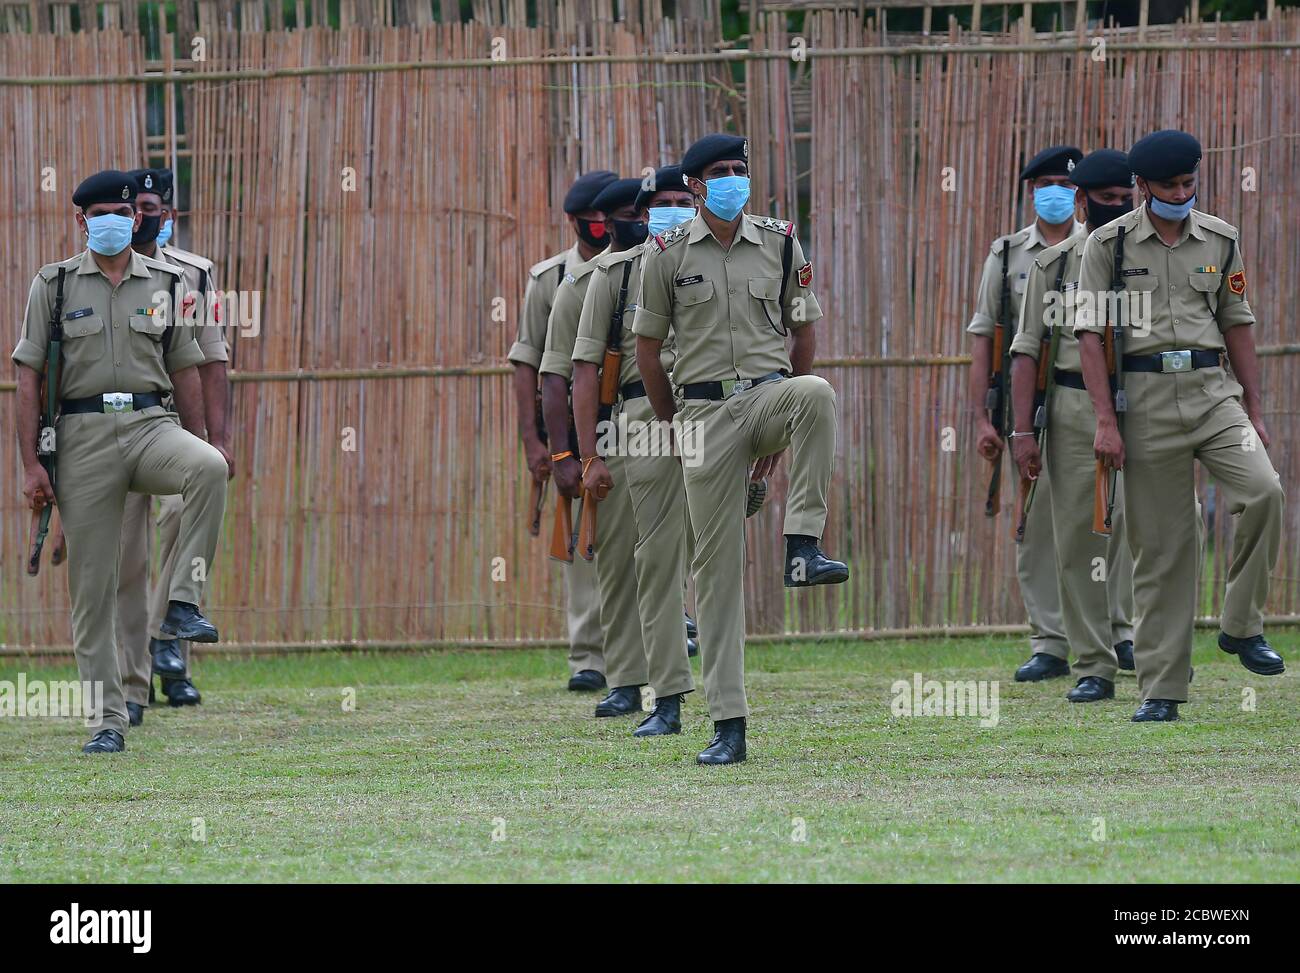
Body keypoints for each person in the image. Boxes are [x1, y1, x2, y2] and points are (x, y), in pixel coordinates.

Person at [634, 134, 846, 765]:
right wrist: (674, 425)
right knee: (718, 576)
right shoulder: (666, 253)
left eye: (741, 170)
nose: (734, 180)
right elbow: (647, 351)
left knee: (817, 392)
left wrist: (778, 442)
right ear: (695, 185)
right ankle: (729, 724)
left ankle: (803, 544)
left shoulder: (780, 241)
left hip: (765, 395)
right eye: (721, 172)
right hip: (700, 411)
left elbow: (803, 330)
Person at [13, 170, 229, 754]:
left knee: (209, 467)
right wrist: (33, 465)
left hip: (150, 424)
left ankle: (183, 603)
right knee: (93, 588)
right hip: (81, 436)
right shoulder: (52, 286)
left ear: (137, 219)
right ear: (81, 221)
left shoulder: (168, 281)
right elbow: (28, 376)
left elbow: (187, 368)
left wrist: (197, 436)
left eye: (123, 213)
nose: (112, 222)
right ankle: (107, 721)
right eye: (99, 214)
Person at [1076, 129, 1285, 722]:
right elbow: (1089, 335)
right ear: (1142, 188)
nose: (1181, 193)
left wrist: (1256, 409)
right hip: (1141, 402)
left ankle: (1241, 626)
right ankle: (1162, 689)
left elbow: (1237, 323)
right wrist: (1105, 422)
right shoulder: (1108, 246)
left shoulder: (1220, 239)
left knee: (1264, 490)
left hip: (1213, 394)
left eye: (1189, 183)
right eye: (1169, 186)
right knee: (1162, 549)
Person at [1009, 149, 1138, 702]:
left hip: (1146, 401)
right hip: (1072, 403)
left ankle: (1141, 645)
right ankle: (1092, 662)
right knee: (1078, 539)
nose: (1116, 208)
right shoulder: (1053, 265)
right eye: (1105, 200)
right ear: (1083, 202)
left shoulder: (1148, 259)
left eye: (1124, 199)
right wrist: (1020, 433)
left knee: (1144, 530)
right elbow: (1025, 350)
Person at [572, 166, 697, 736]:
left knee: (697, 561)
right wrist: (586, 454)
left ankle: (707, 690)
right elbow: (583, 370)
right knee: (636, 557)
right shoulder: (615, 277)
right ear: (643, 215)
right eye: (663, 203)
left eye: (683, 200)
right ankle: (640, 684)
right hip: (638, 423)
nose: (675, 210)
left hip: (708, 416)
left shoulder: (715, 265)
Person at [116, 167, 233, 724]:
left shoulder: (193, 276)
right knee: (124, 558)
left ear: (169, 213)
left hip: (170, 427)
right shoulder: (89, 275)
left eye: (150, 206)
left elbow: (210, 360)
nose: (141, 216)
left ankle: (172, 653)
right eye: (132, 206)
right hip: (109, 428)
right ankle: (133, 686)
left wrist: (215, 438)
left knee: (180, 525)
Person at [967, 144, 1084, 683]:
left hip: (1088, 398)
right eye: (1044, 184)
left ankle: (1120, 635)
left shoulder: (1101, 246)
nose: (1054, 193)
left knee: (1111, 519)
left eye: (1064, 183)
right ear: (1030, 192)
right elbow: (984, 334)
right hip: (1025, 402)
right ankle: (1051, 642)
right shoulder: (1008, 252)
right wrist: (984, 419)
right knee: (1035, 522)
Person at [507, 171, 616, 692]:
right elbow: (529, 363)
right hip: (572, 424)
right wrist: (540, 446)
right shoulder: (549, 281)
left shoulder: (642, 267)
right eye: (590, 218)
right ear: (573, 221)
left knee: (650, 535)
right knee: (581, 541)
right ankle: (588, 658)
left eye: (607, 215)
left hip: (635, 418)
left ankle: (647, 648)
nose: (600, 225)